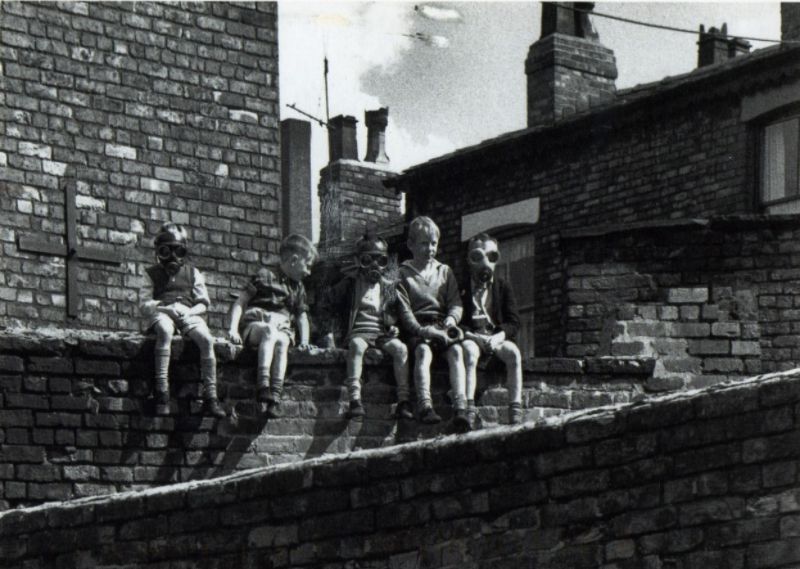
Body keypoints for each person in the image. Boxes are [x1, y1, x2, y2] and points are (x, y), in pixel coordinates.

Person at [320, 231, 412, 421]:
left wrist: (394, 326)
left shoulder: (388, 287)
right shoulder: (349, 284)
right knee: (356, 347)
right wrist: (328, 332)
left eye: (381, 261)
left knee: (401, 349)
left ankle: (403, 401)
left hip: (381, 334)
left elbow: (399, 312)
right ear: (358, 261)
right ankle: (354, 399)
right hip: (359, 333)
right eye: (368, 260)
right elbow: (325, 304)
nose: (374, 266)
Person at [140, 222, 225, 418]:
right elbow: (144, 304)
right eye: (165, 251)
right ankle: (162, 390)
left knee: (206, 340)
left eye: (178, 251)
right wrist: (163, 307)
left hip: (188, 312)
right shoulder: (151, 274)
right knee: (165, 331)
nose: (172, 257)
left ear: (184, 251)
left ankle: (211, 396)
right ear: (158, 251)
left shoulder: (192, 273)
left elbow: (204, 303)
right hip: (163, 311)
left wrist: (190, 313)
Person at [227, 234, 316, 418]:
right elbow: (240, 302)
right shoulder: (264, 276)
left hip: (281, 328)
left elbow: (301, 316)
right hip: (258, 326)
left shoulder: (298, 288)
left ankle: (275, 395)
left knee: (283, 341)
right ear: (294, 260)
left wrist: (305, 341)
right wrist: (233, 329)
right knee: (269, 331)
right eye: (307, 266)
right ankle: (263, 385)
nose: (308, 272)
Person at [396, 216, 470, 431]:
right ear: (411, 245)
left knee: (456, 352)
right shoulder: (402, 274)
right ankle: (425, 405)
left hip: (441, 324)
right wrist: (423, 331)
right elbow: (405, 312)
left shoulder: (444, 271)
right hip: (418, 327)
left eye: (434, 243)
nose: (430, 248)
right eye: (424, 243)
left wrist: (451, 319)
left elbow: (456, 303)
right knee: (422, 353)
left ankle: (461, 407)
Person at [461, 233, 523, 427]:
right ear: (470, 260)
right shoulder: (461, 288)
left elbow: (514, 322)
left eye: (491, 257)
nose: (485, 263)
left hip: (495, 337)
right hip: (473, 337)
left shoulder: (502, 286)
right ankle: (468, 407)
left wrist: (498, 337)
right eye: (478, 257)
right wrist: (472, 336)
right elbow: (456, 322)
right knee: (470, 353)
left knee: (513, 354)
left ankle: (515, 408)